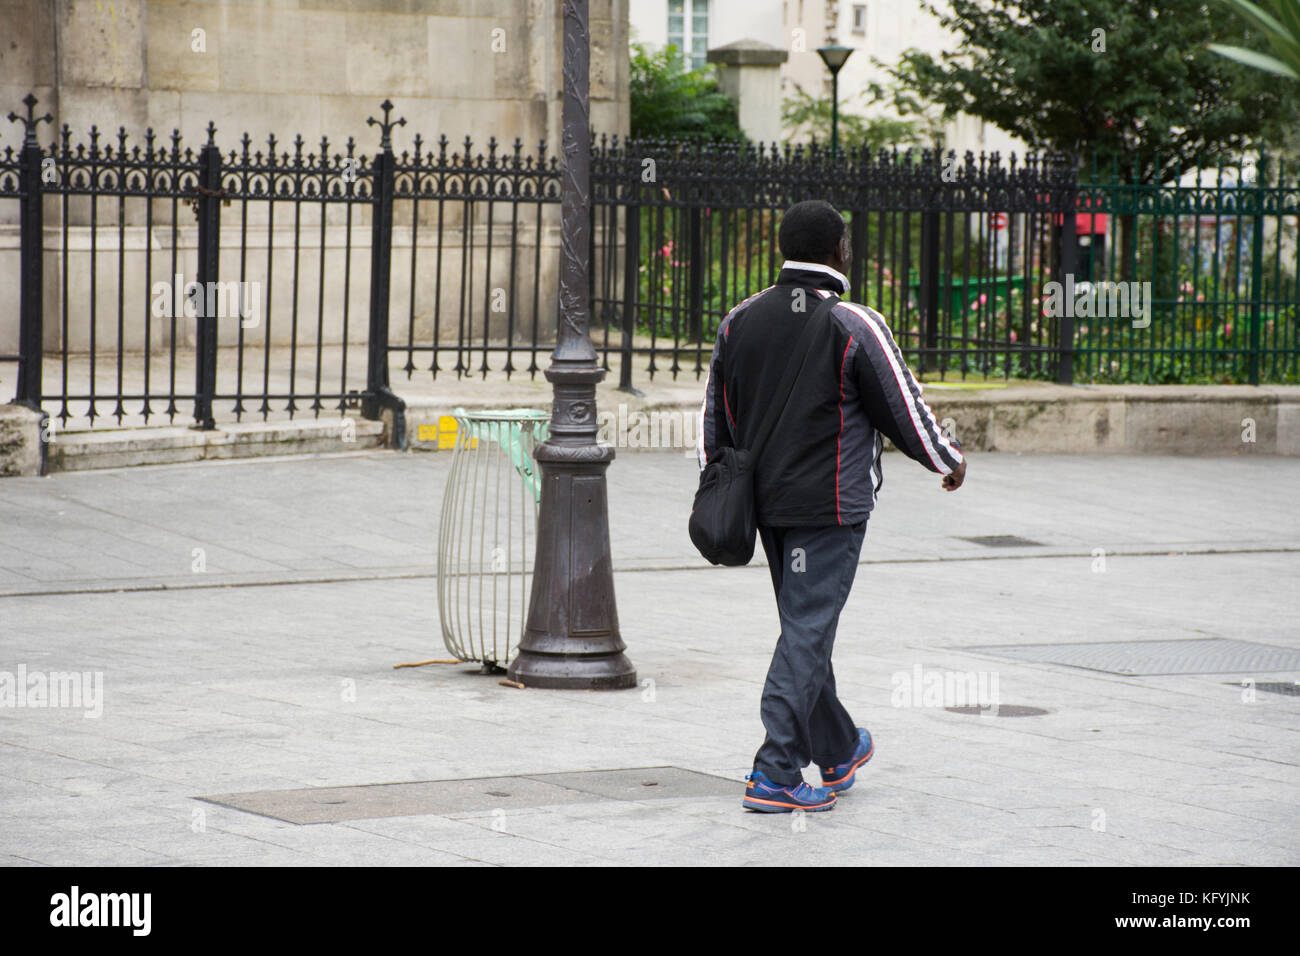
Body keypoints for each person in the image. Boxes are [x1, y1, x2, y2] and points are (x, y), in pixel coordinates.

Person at [696, 199, 967, 813]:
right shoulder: (855, 324)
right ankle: (774, 773)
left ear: (782, 249)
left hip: (767, 508)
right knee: (807, 631)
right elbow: (904, 411)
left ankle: (840, 747)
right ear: (840, 251)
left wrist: (719, 488)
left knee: (803, 627)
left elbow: (717, 419)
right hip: (831, 508)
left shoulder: (740, 321)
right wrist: (949, 461)